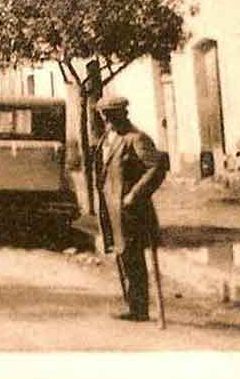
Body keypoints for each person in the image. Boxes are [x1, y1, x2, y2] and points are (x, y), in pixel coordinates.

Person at [95, 95, 167, 322]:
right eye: (104, 116)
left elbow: (156, 168)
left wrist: (134, 195)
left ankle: (139, 309)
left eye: (109, 116)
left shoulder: (137, 138)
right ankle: (133, 305)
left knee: (133, 258)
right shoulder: (110, 137)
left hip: (132, 211)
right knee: (123, 255)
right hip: (114, 209)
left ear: (121, 115)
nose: (106, 120)